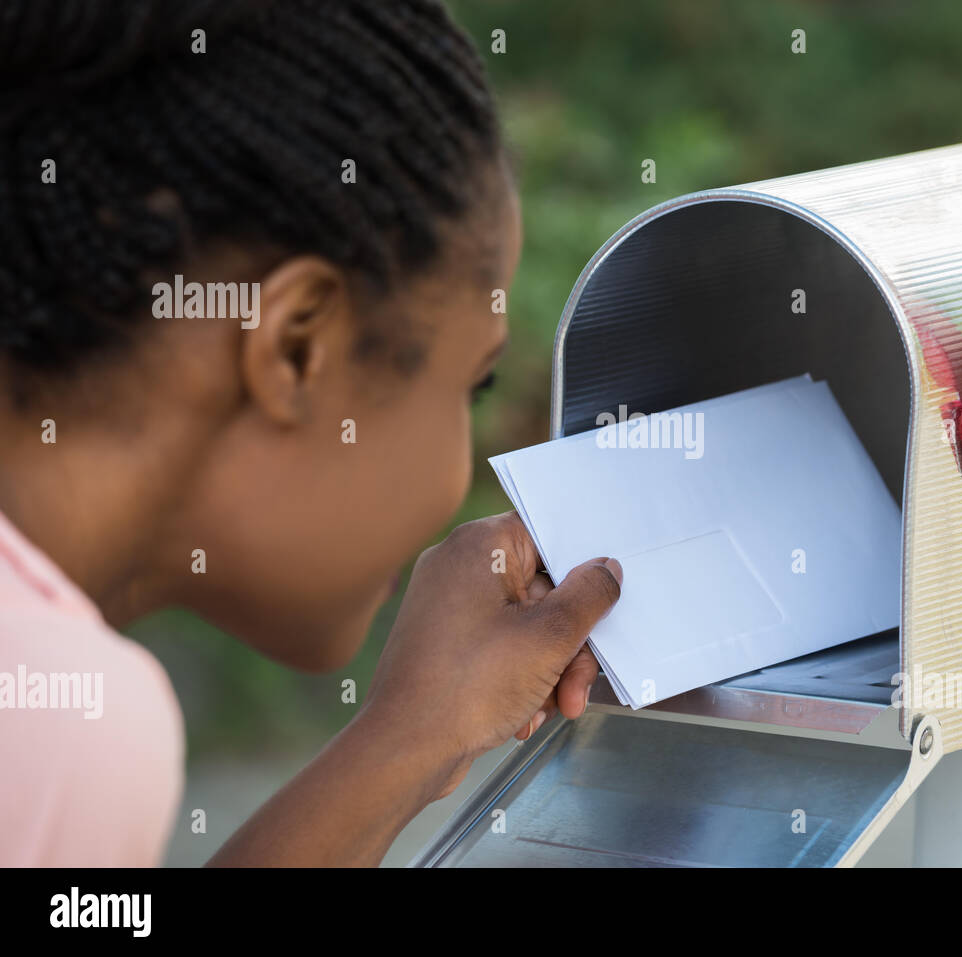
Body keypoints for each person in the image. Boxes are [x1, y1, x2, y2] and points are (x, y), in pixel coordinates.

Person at [0, 0, 622, 866]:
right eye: (468, 382)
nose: (456, 471)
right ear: (296, 347)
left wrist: (411, 737)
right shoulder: (58, 727)